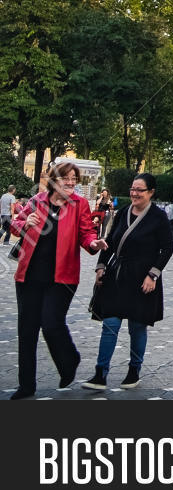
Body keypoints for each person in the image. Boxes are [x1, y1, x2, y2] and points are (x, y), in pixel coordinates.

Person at [8, 160, 108, 399]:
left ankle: (69, 361)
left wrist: (93, 243)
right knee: (27, 330)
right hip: (29, 276)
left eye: (74, 179)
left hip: (62, 278)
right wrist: (24, 224)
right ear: (54, 181)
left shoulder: (79, 204)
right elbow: (14, 224)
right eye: (66, 178)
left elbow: (86, 232)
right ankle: (26, 385)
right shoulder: (37, 201)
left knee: (51, 323)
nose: (72, 183)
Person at [82, 172, 173, 392]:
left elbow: (167, 248)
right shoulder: (123, 212)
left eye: (139, 190)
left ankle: (134, 370)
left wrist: (153, 274)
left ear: (150, 192)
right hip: (118, 274)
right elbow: (110, 243)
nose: (134, 193)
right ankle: (100, 373)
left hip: (143, 277)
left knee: (137, 326)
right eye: (132, 189)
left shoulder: (158, 217)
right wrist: (101, 266)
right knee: (110, 324)